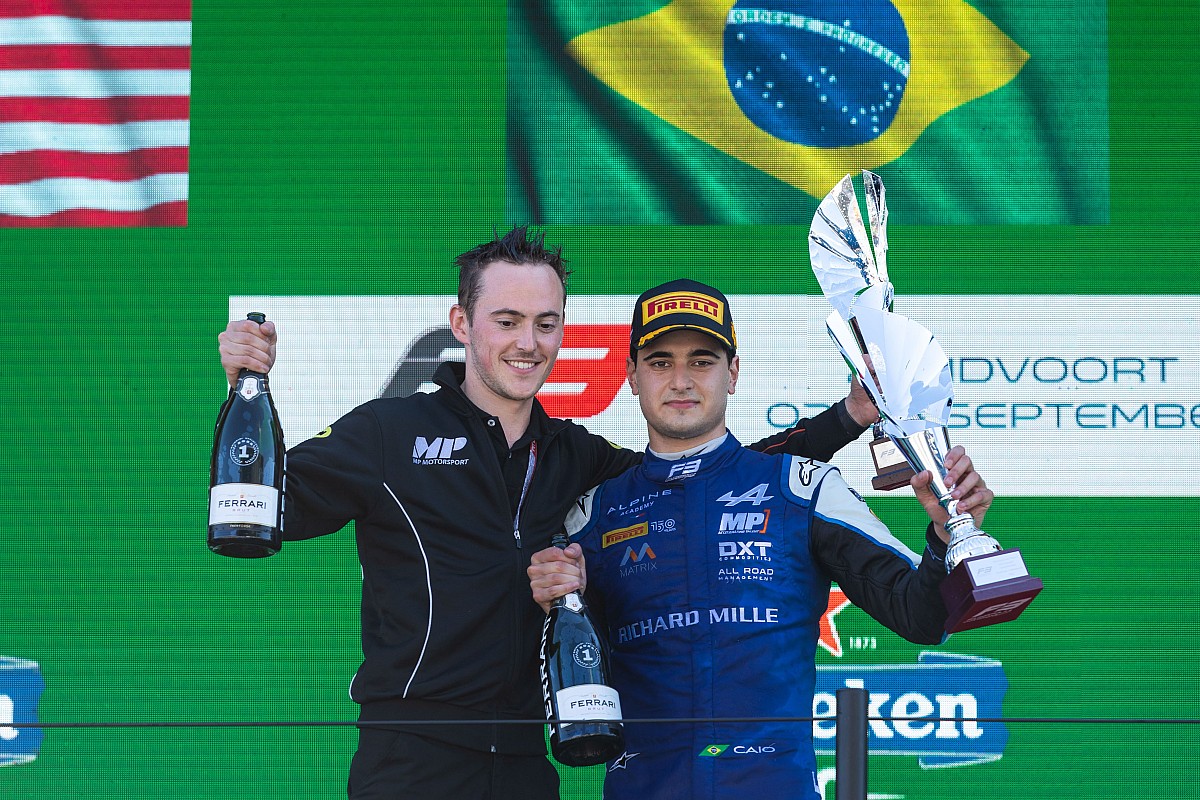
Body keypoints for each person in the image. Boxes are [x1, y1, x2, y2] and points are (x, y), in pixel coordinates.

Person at [216, 228, 879, 799]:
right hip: (411, 758)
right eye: (506, 321)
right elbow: (272, 506)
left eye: (546, 323)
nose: (527, 343)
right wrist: (245, 388)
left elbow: (720, 476)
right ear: (461, 324)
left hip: (530, 764)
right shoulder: (390, 432)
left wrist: (847, 419)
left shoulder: (577, 456)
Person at [527, 278, 994, 800]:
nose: (680, 380)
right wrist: (552, 600)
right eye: (660, 362)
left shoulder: (803, 489)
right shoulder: (590, 517)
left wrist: (943, 533)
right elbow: (556, 673)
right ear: (632, 376)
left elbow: (923, 616)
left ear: (734, 373)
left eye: (702, 361)